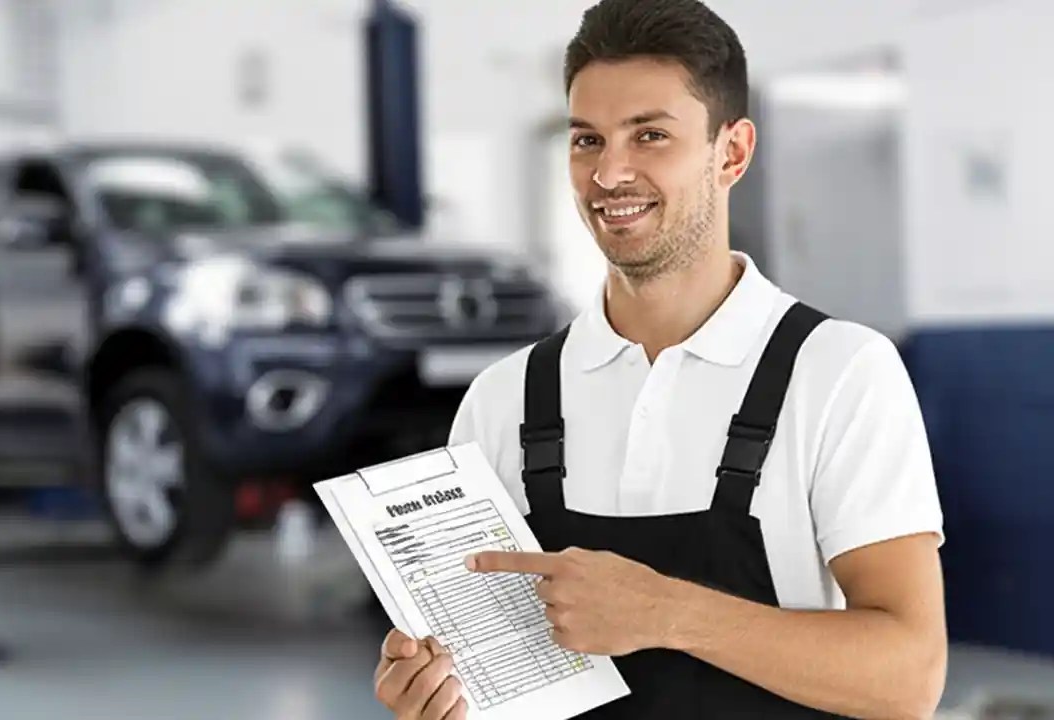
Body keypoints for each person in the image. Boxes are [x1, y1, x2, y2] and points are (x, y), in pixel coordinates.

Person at [372, 0, 947, 718]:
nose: (611, 174)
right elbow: (488, 684)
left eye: (650, 136)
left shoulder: (840, 374)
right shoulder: (503, 399)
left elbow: (910, 678)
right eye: (587, 141)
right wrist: (434, 696)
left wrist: (666, 612)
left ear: (731, 153)